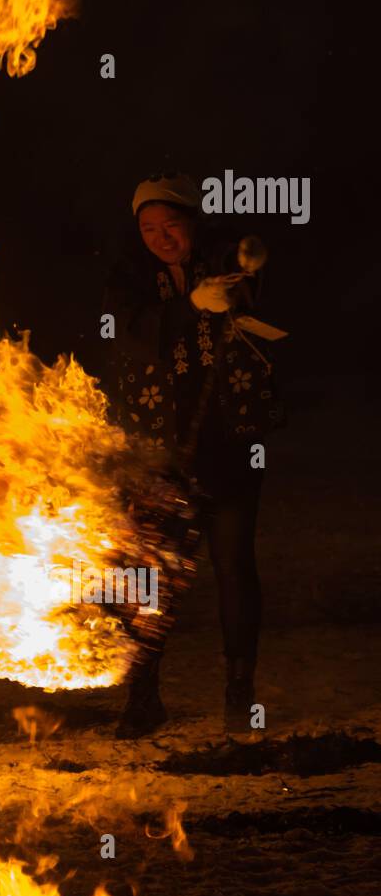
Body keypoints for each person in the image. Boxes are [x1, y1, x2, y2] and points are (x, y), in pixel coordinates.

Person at [103, 174, 285, 737]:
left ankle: (238, 693)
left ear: (192, 222)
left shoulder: (218, 258)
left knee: (233, 567)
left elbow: (251, 264)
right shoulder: (128, 275)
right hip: (160, 449)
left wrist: (250, 259)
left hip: (229, 443)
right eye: (149, 228)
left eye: (171, 224)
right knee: (145, 575)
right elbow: (129, 333)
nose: (162, 237)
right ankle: (143, 695)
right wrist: (189, 305)